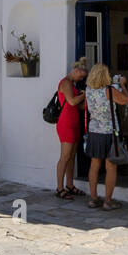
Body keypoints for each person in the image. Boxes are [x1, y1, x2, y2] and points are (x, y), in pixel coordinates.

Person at [83, 64, 128, 209]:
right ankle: (108, 201)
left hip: (94, 132)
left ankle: (93, 198)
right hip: (110, 132)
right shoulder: (108, 90)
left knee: (94, 164)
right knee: (111, 166)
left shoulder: (88, 90)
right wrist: (122, 85)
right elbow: (126, 100)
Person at [54, 58, 88, 199]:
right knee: (65, 157)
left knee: (72, 156)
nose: (81, 79)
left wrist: (85, 100)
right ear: (76, 71)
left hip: (74, 122)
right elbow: (72, 101)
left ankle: (70, 185)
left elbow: (77, 106)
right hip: (66, 123)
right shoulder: (65, 83)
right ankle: (59, 188)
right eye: (81, 76)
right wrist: (84, 95)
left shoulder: (72, 84)